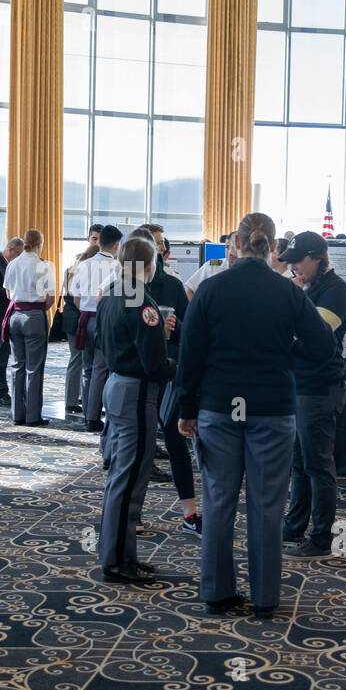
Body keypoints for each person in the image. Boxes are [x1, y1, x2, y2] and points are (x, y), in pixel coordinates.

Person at [175, 212, 336, 619]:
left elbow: (189, 355)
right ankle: (265, 598)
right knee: (267, 506)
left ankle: (216, 593)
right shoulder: (290, 294)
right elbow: (321, 347)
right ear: (275, 249)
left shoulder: (211, 289)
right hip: (272, 406)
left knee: (217, 501)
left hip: (218, 404)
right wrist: (288, 354)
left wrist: (185, 408)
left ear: (234, 245)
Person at [96, 235, 176, 583]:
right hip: (135, 390)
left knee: (123, 474)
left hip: (116, 383)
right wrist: (181, 369)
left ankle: (123, 554)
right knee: (128, 477)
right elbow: (154, 363)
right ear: (150, 264)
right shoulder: (143, 301)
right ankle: (115, 560)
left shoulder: (113, 291)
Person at [280, 231, 346, 559]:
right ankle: (295, 524)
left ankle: (322, 536)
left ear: (317, 258)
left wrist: (294, 301)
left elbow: (315, 338)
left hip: (320, 386)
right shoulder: (309, 288)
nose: (294, 266)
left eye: (299, 260)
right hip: (300, 384)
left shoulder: (336, 290)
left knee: (318, 464)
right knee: (298, 461)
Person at [140, 224, 199, 534]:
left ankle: (189, 511)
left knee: (176, 441)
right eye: (152, 245)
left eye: (160, 245)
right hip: (138, 375)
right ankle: (131, 513)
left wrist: (171, 330)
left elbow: (189, 330)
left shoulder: (173, 285)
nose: (158, 250)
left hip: (171, 370)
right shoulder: (126, 288)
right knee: (136, 447)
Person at [71, 224, 123, 432]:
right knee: (102, 369)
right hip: (105, 320)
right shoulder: (118, 267)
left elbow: (75, 296)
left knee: (88, 368)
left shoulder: (83, 264)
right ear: (117, 244)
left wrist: (85, 309)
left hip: (85, 319)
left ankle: (88, 414)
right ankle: (94, 417)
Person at [3, 228, 56, 426]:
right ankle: (33, 415)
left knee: (17, 366)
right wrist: (37, 309)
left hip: (15, 315)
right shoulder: (43, 266)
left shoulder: (13, 263)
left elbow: (8, 294)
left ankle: (17, 414)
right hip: (34, 315)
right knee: (34, 368)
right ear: (39, 243)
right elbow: (50, 297)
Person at [62, 228, 102, 414]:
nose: (96, 242)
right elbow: (71, 294)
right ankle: (72, 400)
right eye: (94, 238)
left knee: (86, 362)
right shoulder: (76, 266)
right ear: (88, 239)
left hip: (83, 316)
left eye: (99, 239)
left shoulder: (94, 265)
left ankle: (82, 398)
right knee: (79, 359)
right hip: (77, 317)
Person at [0, 237, 23, 408]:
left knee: (6, 354)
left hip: (9, 316)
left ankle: (5, 390)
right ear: (10, 249)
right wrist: (13, 292)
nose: (19, 257)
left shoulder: (9, 264)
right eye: (18, 253)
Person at [185, 231, 237, 299]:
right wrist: (196, 309)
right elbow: (190, 289)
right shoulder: (214, 264)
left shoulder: (250, 271)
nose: (230, 253)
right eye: (227, 247)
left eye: (234, 248)